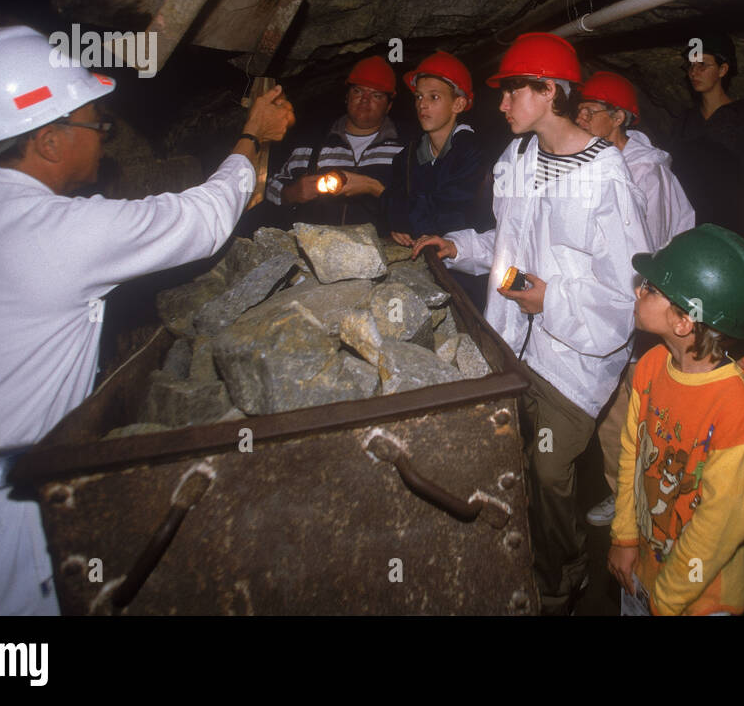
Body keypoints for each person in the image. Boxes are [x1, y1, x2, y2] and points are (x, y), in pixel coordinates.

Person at [0, 25, 294, 614]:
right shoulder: (55, 232)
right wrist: (250, 136)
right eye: (95, 125)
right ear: (50, 141)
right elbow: (201, 218)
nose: (104, 141)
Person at [412, 32, 650, 614]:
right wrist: (459, 246)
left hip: (577, 357)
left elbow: (628, 288)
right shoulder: (516, 159)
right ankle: (530, 550)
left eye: (513, 91)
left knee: (548, 470)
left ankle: (563, 575)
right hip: (515, 344)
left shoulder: (607, 174)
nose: (502, 104)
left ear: (548, 91)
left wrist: (553, 300)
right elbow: (507, 244)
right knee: (516, 460)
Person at [607, 225, 744, 615]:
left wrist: (669, 598)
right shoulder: (649, 366)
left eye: (651, 288)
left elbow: (722, 523)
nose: (637, 291)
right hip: (643, 571)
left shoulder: (733, 406)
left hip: (702, 598)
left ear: (683, 322)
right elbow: (631, 454)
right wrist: (625, 536)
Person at [573, 70, 695, 527]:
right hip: (613, 307)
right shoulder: (595, 161)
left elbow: (650, 251)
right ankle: (623, 494)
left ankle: (654, 505)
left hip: (652, 310)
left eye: (591, 111)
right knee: (612, 410)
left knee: (643, 409)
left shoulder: (647, 174)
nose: (580, 117)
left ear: (619, 118)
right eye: (579, 109)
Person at [264, 55, 404, 230]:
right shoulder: (313, 145)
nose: (365, 100)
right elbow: (267, 186)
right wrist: (290, 193)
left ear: (389, 105)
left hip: (383, 252)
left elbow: (419, 204)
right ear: (347, 96)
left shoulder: (405, 150)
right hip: (316, 251)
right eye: (358, 91)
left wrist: (375, 188)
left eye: (376, 95)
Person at [669, 31, 744, 250]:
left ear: (723, 70)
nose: (694, 72)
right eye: (691, 66)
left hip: (728, 229)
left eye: (703, 65)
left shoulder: (743, 120)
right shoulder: (685, 120)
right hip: (686, 224)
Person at [383, 51, 485, 247]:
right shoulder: (406, 158)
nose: (422, 104)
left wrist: (389, 200)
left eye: (434, 97)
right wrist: (397, 221)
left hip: (466, 266)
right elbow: (391, 206)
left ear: (458, 104)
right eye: (418, 96)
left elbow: (451, 216)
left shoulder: (474, 153)